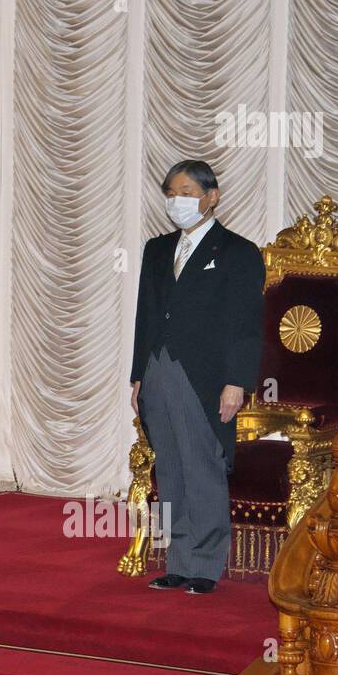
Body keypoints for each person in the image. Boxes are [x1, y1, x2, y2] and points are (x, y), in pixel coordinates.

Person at [129, 160, 264, 594]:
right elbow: (145, 316)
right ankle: (178, 560)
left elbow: (245, 324)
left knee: (202, 467)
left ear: (212, 196)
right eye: (171, 193)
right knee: (170, 469)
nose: (177, 201)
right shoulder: (156, 248)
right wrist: (137, 376)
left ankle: (204, 567)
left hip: (206, 376)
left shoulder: (239, 253)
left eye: (186, 192)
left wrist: (236, 382)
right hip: (158, 369)